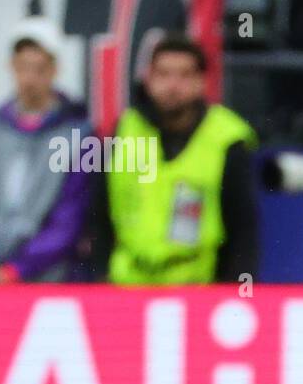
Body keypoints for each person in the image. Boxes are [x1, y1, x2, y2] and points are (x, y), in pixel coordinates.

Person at [86, 34, 259, 285]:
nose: (172, 86)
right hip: (126, 282)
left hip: (196, 284)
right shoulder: (125, 130)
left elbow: (243, 228)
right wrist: (101, 276)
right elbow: (99, 213)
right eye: (163, 74)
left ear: (202, 82)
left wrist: (233, 291)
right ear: (149, 79)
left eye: (184, 75)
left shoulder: (227, 139)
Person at [0, 18, 90, 283]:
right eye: (24, 67)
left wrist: (19, 269)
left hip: (47, 280)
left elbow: (70, 215)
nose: (30, 78)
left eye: (40, 68)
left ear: (54, 69)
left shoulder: (78, 135)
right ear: (11, 66)